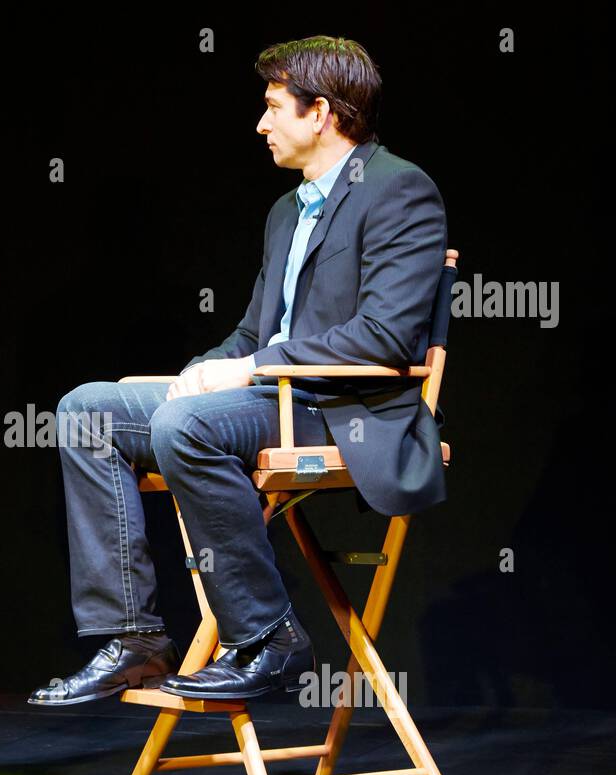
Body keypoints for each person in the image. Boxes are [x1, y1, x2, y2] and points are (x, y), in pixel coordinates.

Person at [29, 36, 447, 704]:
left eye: (273, 106)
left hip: (348, 414)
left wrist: (251, 368)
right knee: (86, 410)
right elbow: (255, 333)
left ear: (321, 113)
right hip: (271, 401)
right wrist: (206, 368)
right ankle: (135, 637)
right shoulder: (288, 210)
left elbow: (385, 336)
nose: (260, 124)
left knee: (188, 423)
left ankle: (268, 636)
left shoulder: (400, 190)